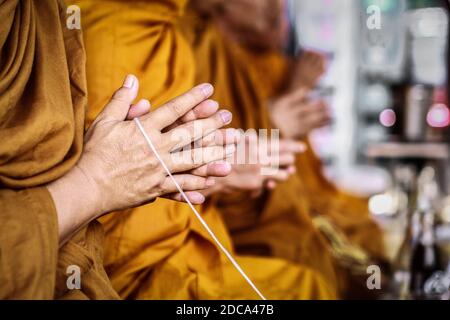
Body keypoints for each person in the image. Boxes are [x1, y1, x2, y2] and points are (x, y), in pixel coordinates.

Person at [75, 0, 336, 299]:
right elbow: (105, 193)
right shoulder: (114, 33)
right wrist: (212, 171)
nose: (276, 6)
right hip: (144, 266)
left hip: (198, 236)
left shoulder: (177, 33)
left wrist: (217, 165)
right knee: (308, 287)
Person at [0, 0, 235, 299]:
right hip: (144, 274)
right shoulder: (110, 30)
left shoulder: (42, 12)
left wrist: (197, 162)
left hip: (183, 255)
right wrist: (95, 183)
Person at [185, 0, 387, 298]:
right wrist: (272, 122)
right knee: (310, 266)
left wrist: (291, 92)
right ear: (219, 5)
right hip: (240, 217)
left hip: (293, 199)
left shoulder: (274, 65)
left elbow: (302, 175)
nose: (276, 6)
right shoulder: (199, 45)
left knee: (367, 233)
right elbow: (213, 154)